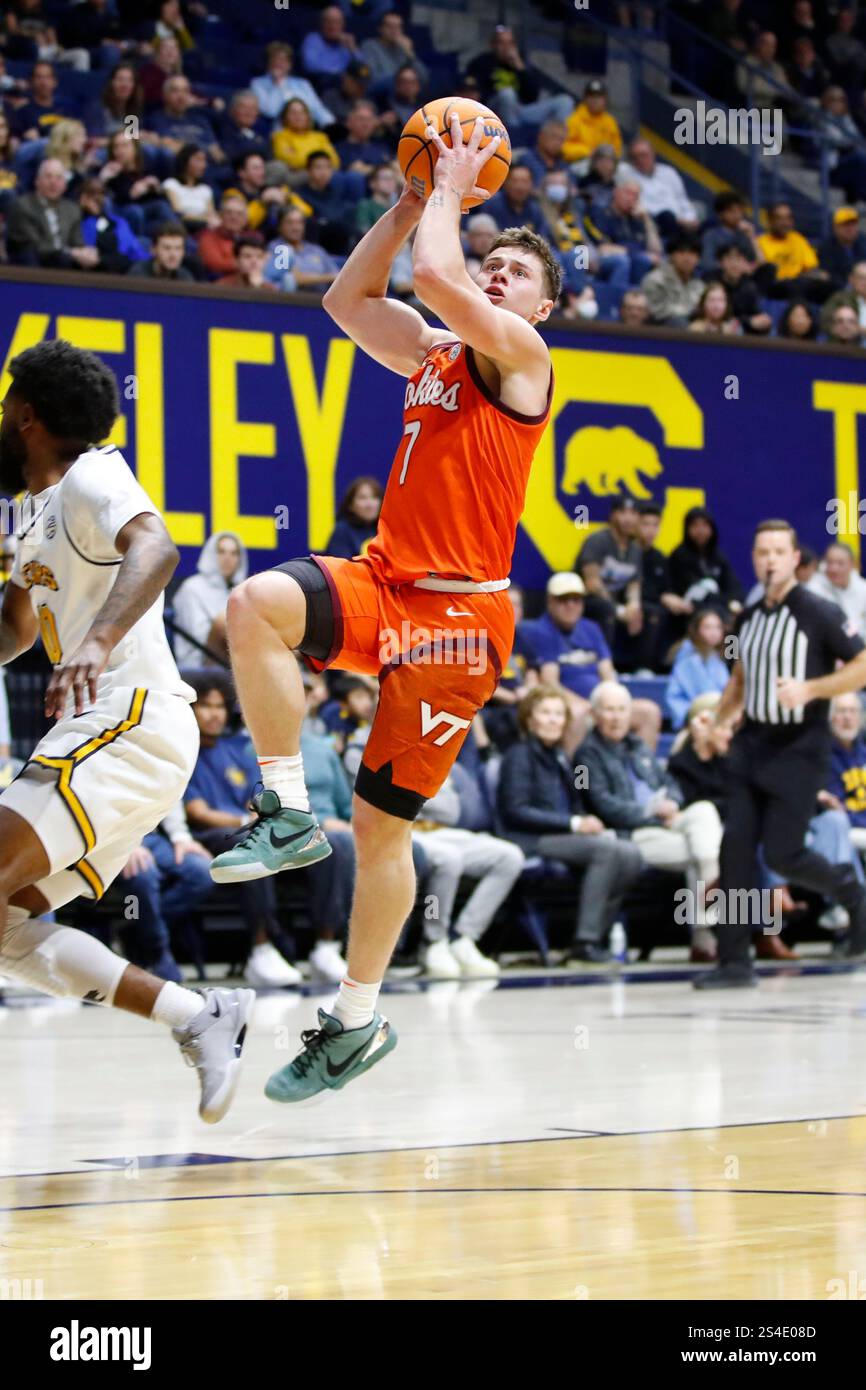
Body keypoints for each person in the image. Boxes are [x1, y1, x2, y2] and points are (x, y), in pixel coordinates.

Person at [209, 113, 558, 1102]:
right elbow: (346, 294)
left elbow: (440, 280)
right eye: (491, 264)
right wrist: (411, 203)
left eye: (515, 273)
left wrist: (447, 195)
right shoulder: (435, 355)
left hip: (457, 623)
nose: (494, 275)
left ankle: (352, 1020)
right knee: (253, 604)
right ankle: (280, 811)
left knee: (379, 831)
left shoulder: (523, 363)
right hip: (387, 579)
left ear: (541, 309)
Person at [0, 340, 252, 1122]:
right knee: (6, 928)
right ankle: (197, 1015)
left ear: (28, 415)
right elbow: (12, 625)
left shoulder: (92, 474)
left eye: (7, 406)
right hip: (122, 736)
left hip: (129, 716)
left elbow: (158, 546)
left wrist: (98, 641)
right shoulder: (31, 511)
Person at [694, 520, 866, 988]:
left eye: (778, 551)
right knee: (735, 855)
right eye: (761, 551)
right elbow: (740, 681)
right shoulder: (747, 618)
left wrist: (812, 688)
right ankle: (734, 963)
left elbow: (862, 664)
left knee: (784, 855)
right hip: (752, 745)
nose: (769, 559)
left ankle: (852, 894)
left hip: (800, 748)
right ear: (754, 559)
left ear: (795, 560)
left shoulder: (818, 611)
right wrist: (720, 723)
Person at [497, 684, 643, 963]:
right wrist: (574, 823)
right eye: (545, 713)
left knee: (630, 852)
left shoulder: (563, 758)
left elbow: (576, 799)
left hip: (563, 836)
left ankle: (598, 933)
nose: (553, 720)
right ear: (530, 718)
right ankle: (584, 942)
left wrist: (588, 820)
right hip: (527, 839)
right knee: (606, 851)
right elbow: (515, 811)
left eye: (559, 714)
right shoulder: (518, 756)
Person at [579, 681, 724, 960]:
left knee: (704, 811)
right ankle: (706, 934)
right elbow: (599, 804)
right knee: (701, 852)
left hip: (666, 822)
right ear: (595, 714)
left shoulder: (638, 747)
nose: (616, 716)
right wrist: (651, 815)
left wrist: (672, 802)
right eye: (609, 710)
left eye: (622, 709)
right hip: (630, 833)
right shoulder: (584, 758)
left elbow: (669, 782)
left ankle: (710, 879)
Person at [183, 675, 301, 988]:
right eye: (205, 706)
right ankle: (263, 947)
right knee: (252, 844)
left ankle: (318, 947)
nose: (214, 714)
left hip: (243, 830)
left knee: (305, 841)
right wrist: (241, 821)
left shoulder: (235, 749)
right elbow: (197, 812)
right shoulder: (184, 750)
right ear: (191, 710)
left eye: (219, 706)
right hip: (203, 839)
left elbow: (256, 798)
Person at [413, 772, 524, 978]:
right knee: (449, 859)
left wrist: (421, 797)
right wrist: (431, 797)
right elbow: (392, 802)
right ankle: (434, 940)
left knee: (509, 856)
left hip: (441, 830)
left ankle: (463, 936)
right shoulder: (364, 750)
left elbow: (451, 812)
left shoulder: (438, 750)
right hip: (401, 830)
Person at [119, 803, 214, 983]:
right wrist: (124, 842)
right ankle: (157, 950)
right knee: (143, 877)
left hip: (154, 836)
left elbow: (170, 790)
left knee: (203, 872)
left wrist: (181, 836)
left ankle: (137, 928)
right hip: (114, 839)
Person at [464, 25, 573, 130]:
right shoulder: (481, 62)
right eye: (501, 43)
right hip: (493, 109)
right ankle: (514, 137)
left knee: (565, 101)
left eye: (510, 43)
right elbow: (475, 94)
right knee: (507, 94)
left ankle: (556, 140)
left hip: (521, 111)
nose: (506, 47)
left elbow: (533, 96)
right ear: (493, 45)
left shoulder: (520, 63)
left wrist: (520, 67)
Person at [5, 157, 97, 270]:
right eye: (48, 176)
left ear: (65, 185)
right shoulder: (23, 206)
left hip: (65, 261)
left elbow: (77, 243)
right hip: (33, 264)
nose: (53, 182)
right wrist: (70, 253)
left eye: (59, 178)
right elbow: (35, 245)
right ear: (37, 181)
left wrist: (86, 253)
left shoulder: (72, 209)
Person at [172, 531, 248, 668]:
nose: (227, 558)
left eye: (234, 553)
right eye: (221, 551)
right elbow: (198, 638)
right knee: (221, 623)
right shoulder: (192, 588)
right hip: (199, 661)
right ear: (211, 554)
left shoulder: (240, 591)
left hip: (234, 659)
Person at [667, 506, 743, 624]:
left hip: (720, 608)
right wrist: (726, 602)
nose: (700, 531)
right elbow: (692, 591)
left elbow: (733, 586)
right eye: (695, 526)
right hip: (690, 612)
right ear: (687, 529)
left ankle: (731, 643)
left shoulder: (718, 556)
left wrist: (733, 601)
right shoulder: (679, 555)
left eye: (705, 525)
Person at [618, 138, 698, 241]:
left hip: (682, 223)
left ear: (653, 154)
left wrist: (691, 219)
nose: (640, 160)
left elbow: (682, 200)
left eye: (643, 155)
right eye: (635, 157)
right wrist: (678, 221)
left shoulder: (668, 172)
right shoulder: (627, 174)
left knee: (710, 225)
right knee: (667, 217)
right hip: (654, 221)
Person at [666, 609, 731, 729]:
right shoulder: (687, 656)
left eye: (718, 627)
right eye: (707, 627)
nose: (714, 632)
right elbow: (702, 692)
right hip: (696, 719)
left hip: (717, 716)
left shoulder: (717, 657)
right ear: (696, 630)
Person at [251, 41, 335, 131]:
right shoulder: (258, 83)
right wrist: (277, 83)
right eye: (275, 59)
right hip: (280, 133)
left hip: (306, 132)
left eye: (283, 60)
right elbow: (271, 112)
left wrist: (332, 126)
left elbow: (317, 109)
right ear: (269, 62)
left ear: (289, 65)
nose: (279, 63)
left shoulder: (302, 84)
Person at [78, 177, 148, 274]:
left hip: (122, 265)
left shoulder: (117, 221)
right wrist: (88, 214)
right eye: (91, 193)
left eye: (101, 193)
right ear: (82, 197)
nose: (97, 198)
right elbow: (88, 250)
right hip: (94, 269)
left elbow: (132, 249)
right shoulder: (76, 221)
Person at [641, 233, 705, 326]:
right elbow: (657, 311)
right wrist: (690, 313)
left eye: (692, 253)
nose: (687, 258)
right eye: (682, 252)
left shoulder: (699, 284)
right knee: (678, 323)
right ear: (672, 255)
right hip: (659, 328)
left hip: (690, 324)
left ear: (698, 259)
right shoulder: (654, 280)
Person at [806, 543, 866, 638]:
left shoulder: (863, 588)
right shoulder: (813, 590)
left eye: (840, 563)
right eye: (830, 562)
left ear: (852, 565)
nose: (834, 568)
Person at [360, 12, 429, 87]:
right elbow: (371, 79)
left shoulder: (403, 48)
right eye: (389, 26)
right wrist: (402, 79)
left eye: (397, 27)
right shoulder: (369, 46)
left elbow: (424, 78)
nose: (394, 31)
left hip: (406, 94)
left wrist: (410, 53)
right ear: (380, 29)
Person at [271, 97, 339, 173]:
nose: (298, 116)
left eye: (302, 112)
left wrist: (302, 156)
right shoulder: (280, 137)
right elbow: (289, 160)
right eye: (293, 113)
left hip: (326, 174)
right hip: (300, 176)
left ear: (308, 116)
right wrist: (319, 164)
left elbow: (335, 161)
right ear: (285, 117)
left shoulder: (320, 137)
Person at [716, 244, 773, 335]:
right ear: (721, 262)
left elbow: (755, 315)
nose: (734, 264)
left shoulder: (749, 287)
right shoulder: (713, 282)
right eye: (730, 258)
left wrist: (762, 320)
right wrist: (748, 321)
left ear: (745, 264)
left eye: (738, 259)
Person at [562, 79, 622, 163]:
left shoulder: (610, 121)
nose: (595, 100)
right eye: (591, 96)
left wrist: (607, 156)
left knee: (623, 169)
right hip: (581, 162)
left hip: (605, 163)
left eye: (599, 97)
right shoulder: (574, 119)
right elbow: (564, 147)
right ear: (585, 99)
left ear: (605, 100)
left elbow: (617, 150)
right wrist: (587, 152)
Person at [162, 143, 217, 231]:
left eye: (204, 161)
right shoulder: (171, 184)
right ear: (185, 160)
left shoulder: (205, 189)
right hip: (181, 228)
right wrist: (204, 219)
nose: (203, 165)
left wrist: (207, 220)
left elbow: (212, 215)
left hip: (204, 230)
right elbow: (179, 213)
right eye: (198, 160)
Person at [323, 476, 382, 557]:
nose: (370, 504)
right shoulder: (342, 531)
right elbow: (341, 567)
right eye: (363, 498)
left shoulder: (384, 530)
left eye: (374, 497)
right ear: (350, 505)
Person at [300, 6, 359, 82]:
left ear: (343, 24)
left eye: (337, 22)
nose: (333, 26)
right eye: (329, 21)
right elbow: (310, 66)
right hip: (323, 84)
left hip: (347, 85)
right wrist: (337, 74)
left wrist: (353, 49)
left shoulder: (347, 42)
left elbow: (362, 68)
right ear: (321, 24)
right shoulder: (313, 39)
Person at [818, 207, 866, 291]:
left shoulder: (862, 243)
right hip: (840, 292)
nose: (850, 228)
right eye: (845, 225)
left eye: (853, 224)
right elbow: (828, 276)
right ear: (835, 227)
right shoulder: (827, 248)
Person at [127, 221, 193, 281]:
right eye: (167, 248)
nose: (173, 255)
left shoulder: (185, 277)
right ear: (153, 250)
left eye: (178, 248)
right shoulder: (138, 275)